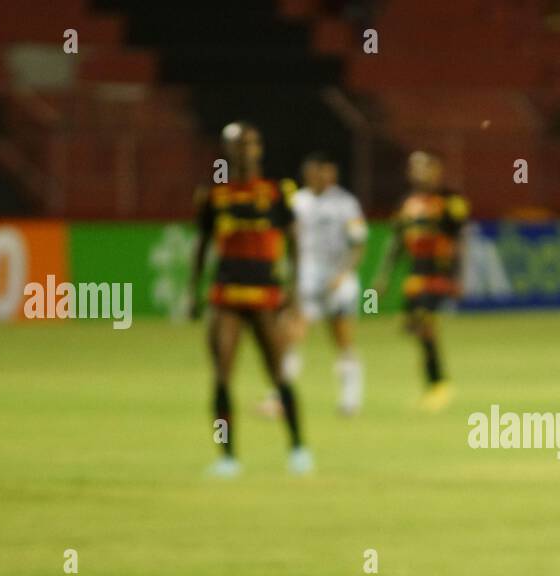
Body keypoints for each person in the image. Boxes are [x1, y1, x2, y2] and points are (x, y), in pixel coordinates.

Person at [189, 122, 312, 476]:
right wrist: (193, 291)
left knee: (278, 375)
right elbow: (201, 244)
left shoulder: (275, 193)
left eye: (252, 143)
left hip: (265, 294)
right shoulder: (214, 194)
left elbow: (294, 240)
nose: (246, 149)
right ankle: (227, 456)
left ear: (259, 149)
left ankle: (298, 447)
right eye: (239, 144)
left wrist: (295, 288)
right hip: (226, 294)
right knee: (222, 376)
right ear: (227, 150)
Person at [262, 152, 367, 418]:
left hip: (337, 280)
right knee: (291, 336)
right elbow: (288, 244)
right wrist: (288, 280)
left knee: (342, 339)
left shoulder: (346, 203)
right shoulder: (297, 202)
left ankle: (350, 400)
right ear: (307, 173)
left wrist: (344, 274)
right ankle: (280, 398)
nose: (322, 176)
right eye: (317, 171)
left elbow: (358, 244)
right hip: (306, 278)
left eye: (327, 171)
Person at [374, 150, 468, 412]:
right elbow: (396, 243)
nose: (416, 172)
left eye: (423, 166)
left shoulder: (450, 201)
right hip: (415, 276)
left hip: (438, 276)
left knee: (424, 321)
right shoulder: (407, 203)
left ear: (436, 169)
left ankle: (439, 385)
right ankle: (433, 384)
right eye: (413, 167)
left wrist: (458, 277)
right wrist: (383, 278)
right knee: (414, 327)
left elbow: (460, 240)